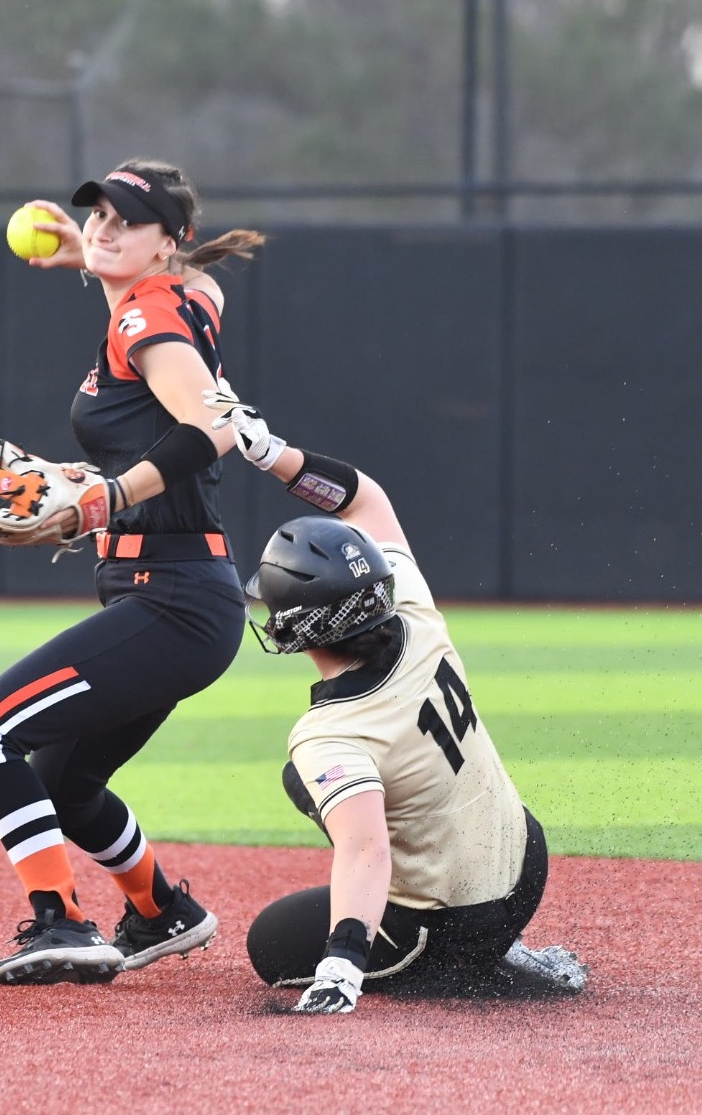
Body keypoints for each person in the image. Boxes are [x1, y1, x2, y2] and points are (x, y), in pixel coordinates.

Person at [0, 161, 266, 986]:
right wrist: (87, 261)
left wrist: (107, 495)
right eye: (98, 214)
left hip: (173, 597)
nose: (104, 226)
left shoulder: (148, 319)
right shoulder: (181, 298)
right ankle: (164, 910)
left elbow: (212, 428)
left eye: (128, 218)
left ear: (169, 240)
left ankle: (60, 923)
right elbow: (198, 288)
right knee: (67, 781)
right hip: (168, 593)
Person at [201, 382, 589, 1013]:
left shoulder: (330, 735)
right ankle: (497, 944)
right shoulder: (410, 605)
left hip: (460, 917)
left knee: (271, 944)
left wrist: (342, 963)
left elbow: (365, 848)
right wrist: (272, 452)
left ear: (300, 630)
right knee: (341, 809)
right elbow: (366, 497)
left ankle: (482, 969)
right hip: (526, 857)